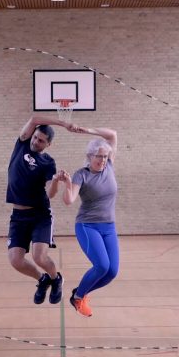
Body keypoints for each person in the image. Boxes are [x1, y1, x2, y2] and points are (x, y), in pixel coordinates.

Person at [7, 116, 78, 305]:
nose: (35, 141)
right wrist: (63, 123)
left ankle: (56, 278)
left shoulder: (47, 163)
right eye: (35, 137)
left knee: (39, 257)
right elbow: (33, 119)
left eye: (40, 141)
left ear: (48, 144)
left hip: (40, 215)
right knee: (15, 260)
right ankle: (42, 280)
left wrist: (54, 181)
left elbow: (50, 194)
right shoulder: (22, 143)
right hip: (18, 215)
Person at [57, 126, 119, 317]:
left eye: (105, 156)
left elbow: (112, 134)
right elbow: (69, 200)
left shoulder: (109, 166)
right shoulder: (81, 174)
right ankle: (78, 297)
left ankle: (81, 292)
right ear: (90, 156)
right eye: (99, 156)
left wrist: (86, 130)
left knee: (111, 272)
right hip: (87, 226)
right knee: (102, 266)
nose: (103, 160)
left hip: (109, 227)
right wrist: (67, 184)